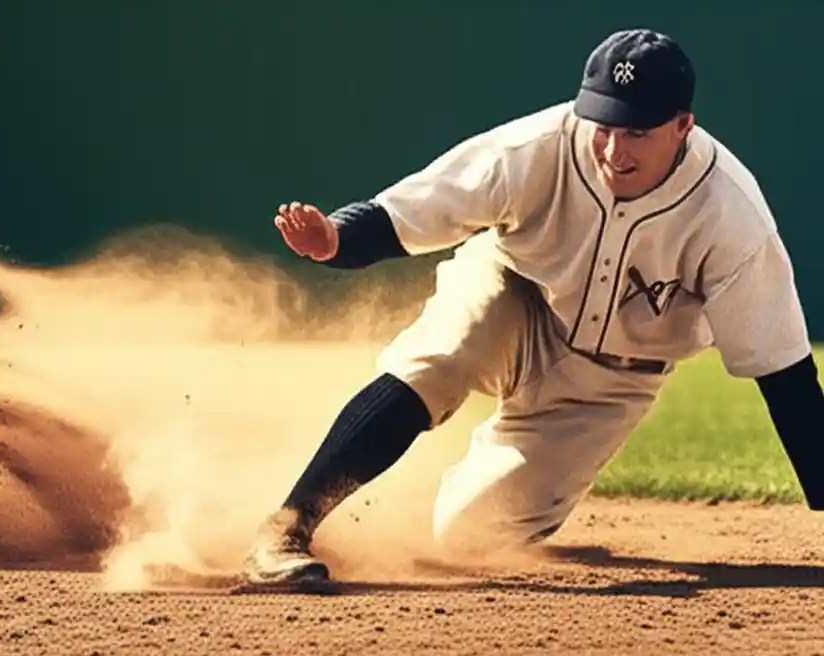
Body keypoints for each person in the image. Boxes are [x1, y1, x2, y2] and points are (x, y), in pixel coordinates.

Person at [241, 28, 824, 586]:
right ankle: (286, 530)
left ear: (682, 125)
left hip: (610, 380)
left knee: (468, 533)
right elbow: (425, 205)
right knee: (443, 353)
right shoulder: (538, 146)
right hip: (515, 292)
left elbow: (783, 371)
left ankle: (400, 502)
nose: (614, 150)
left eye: (638, 132)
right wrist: (337, 238)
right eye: (603, 124)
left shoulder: (730, 211)